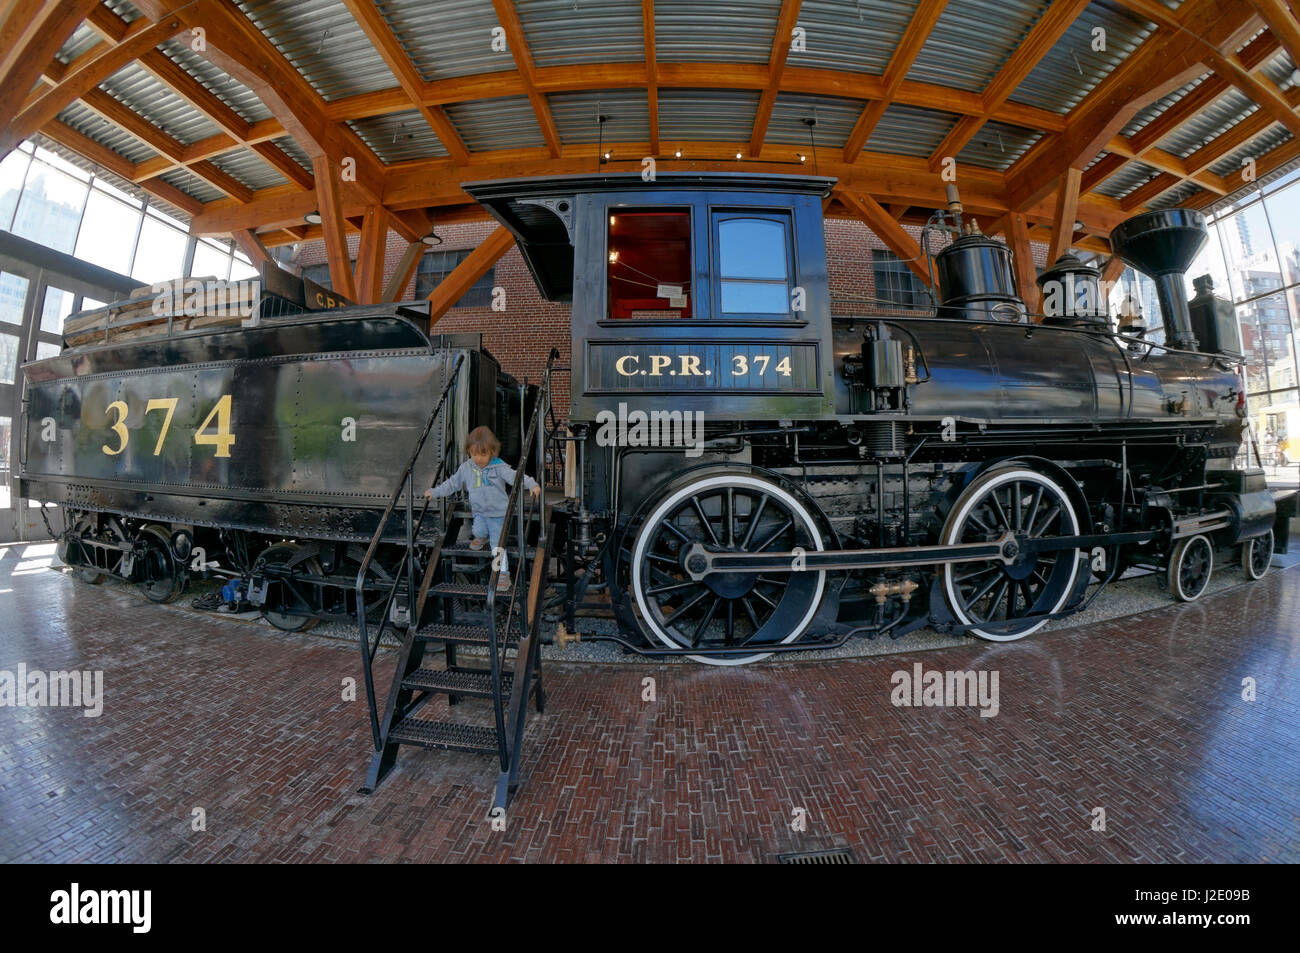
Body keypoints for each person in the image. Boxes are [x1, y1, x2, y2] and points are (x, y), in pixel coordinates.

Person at [426, 426, 540, 590]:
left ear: (492, 451)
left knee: (497, 545)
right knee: (478, 531)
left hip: (498, 515)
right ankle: (481, 537)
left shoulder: (499, 468)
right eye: (474, 454)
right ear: (469, 452)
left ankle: (502, 574)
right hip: (479, 513)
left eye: (483, 453)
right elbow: (452, 484)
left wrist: (532, 484)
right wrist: (435, 492)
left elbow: (517, 476)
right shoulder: (466, 468)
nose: (478, 458)